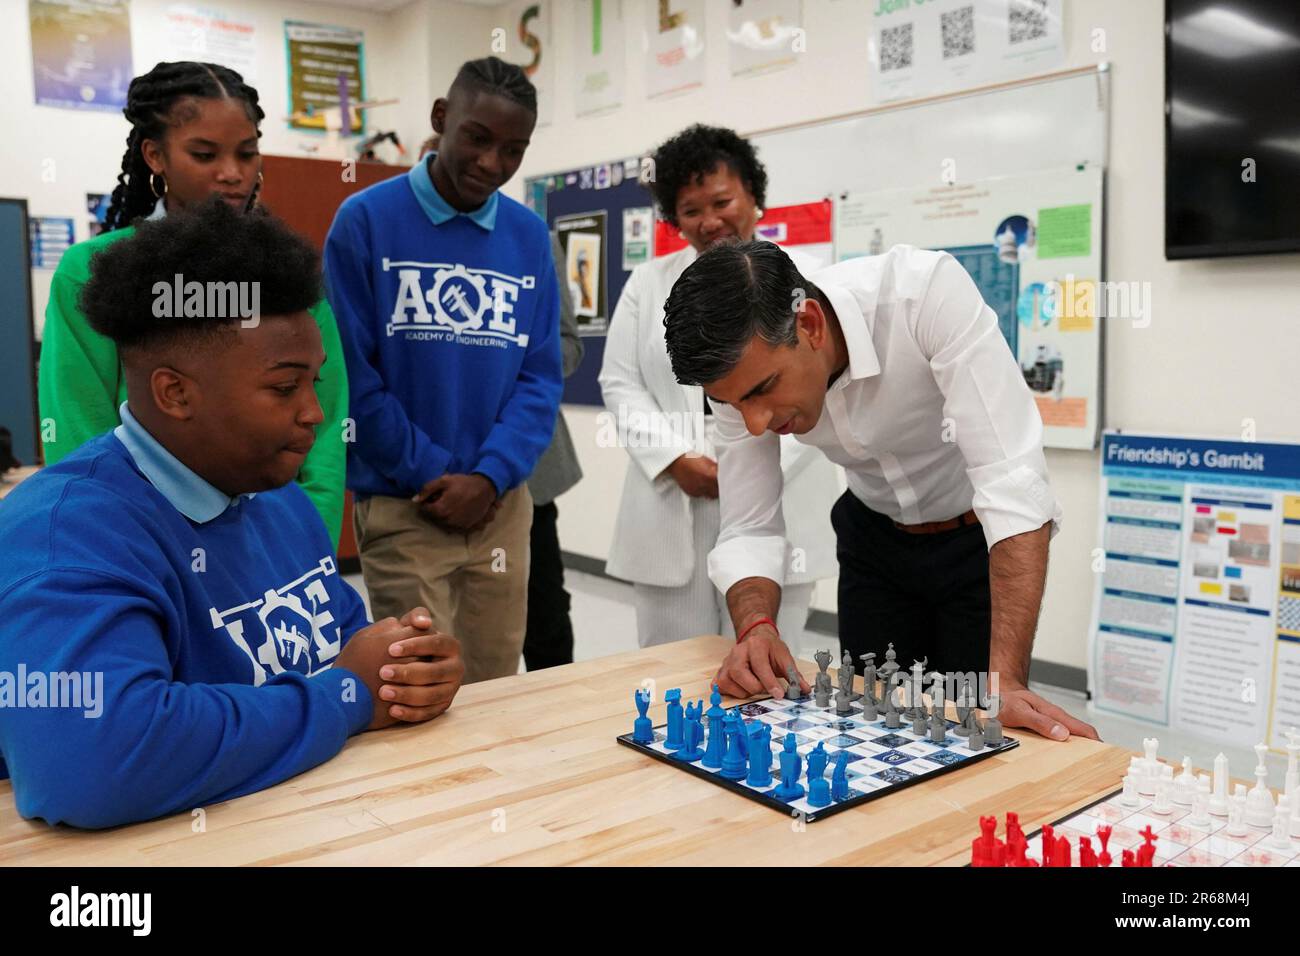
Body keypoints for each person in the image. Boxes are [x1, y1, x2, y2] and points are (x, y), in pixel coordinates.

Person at [0, 200, 464, 829]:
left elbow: (351, 649)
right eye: (283, 387)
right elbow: (90, 763)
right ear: (175, 392)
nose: (315, 413)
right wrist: (347, 696)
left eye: (315, 383)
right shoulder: (64, 532)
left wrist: (407, 670)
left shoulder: (276, 495)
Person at [662, 240, 1098, 741]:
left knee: (982, 730)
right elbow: (749, 523)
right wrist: (756, 626)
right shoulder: (741, 373)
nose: (755, 423)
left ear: (809, 325)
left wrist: (1008, 680)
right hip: (873, 542)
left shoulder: (924, 295)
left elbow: (1012, 486)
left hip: (976, 547)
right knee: (877, 733)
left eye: (763, 391)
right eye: (733, 404)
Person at [37, 60, 349, 547]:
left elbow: (324, 427)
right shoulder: (94, 268)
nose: (232, 174)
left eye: (247, 154)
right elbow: (77, 428)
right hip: (141, 534)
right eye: (204, 154)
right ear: (155, 156)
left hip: (270, 538)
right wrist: (119, 543)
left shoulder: (286, 273)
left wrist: (309, 543)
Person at [324, 57, 562, 683]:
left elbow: (540, 376)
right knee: (419, 683)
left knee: (494, 682)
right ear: (440, 119)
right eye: (477, 138)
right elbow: (353, 371)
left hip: (500, 505)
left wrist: (488, 478)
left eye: (513, 149)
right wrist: (433, 472)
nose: (491, 163)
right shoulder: (365, 221)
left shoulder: (529, 236)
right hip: (407, 503)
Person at [599, 124, 837, 648]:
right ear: (672, 217)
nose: (710, 221)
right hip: (673, 491)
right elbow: (619, 381)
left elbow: (820, 388)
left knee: (767, 667)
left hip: (780, 489)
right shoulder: (648, 283)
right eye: (689, 210)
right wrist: (674, 458)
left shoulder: (808, 277)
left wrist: (744, 463)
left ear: (753, 195)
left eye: (722, 201)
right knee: (671, 673)